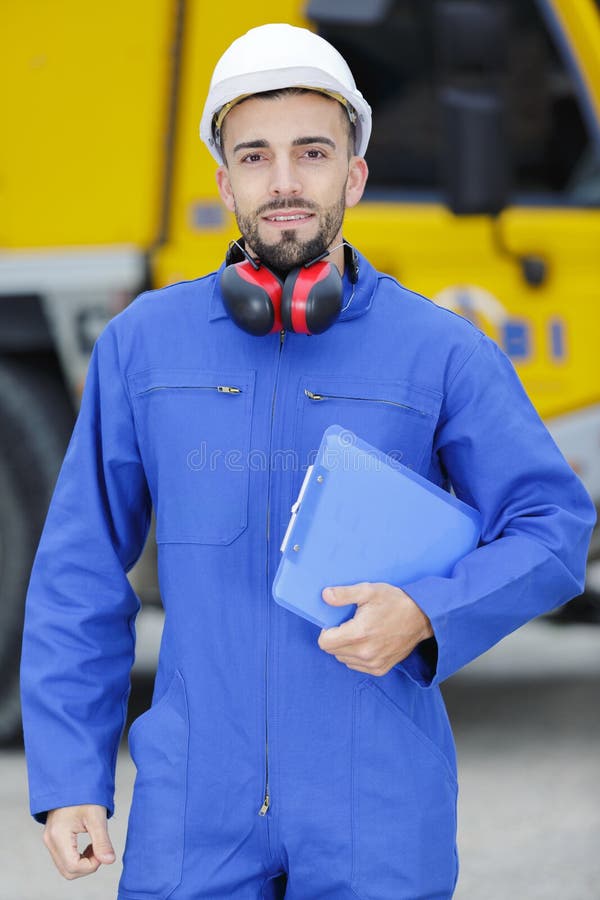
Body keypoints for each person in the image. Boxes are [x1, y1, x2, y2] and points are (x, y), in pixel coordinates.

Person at [21, 22, 595, 900]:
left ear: (353, 175)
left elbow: (554, 527)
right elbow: (79, 570)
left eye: (312, 152)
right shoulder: (143, 347)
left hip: (377, 806)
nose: (284, 181)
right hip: (194, 813)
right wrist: (70, 777)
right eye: (255, 156)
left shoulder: (441, 351)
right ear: (224, 182)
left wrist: (427, 611)